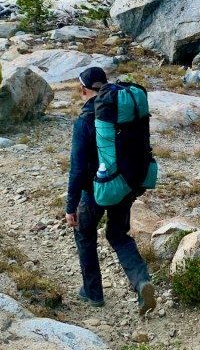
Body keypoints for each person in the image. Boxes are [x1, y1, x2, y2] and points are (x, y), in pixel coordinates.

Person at [66, 66, 156, 314]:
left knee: (85, 234)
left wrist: (70, 206)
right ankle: (141, 282)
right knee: (118, 235)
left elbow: (77, 168)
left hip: (94, 192)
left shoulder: (84, 121)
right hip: (124, 184)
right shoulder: (122, 113)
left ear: (83, 90)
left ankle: (93, 292)